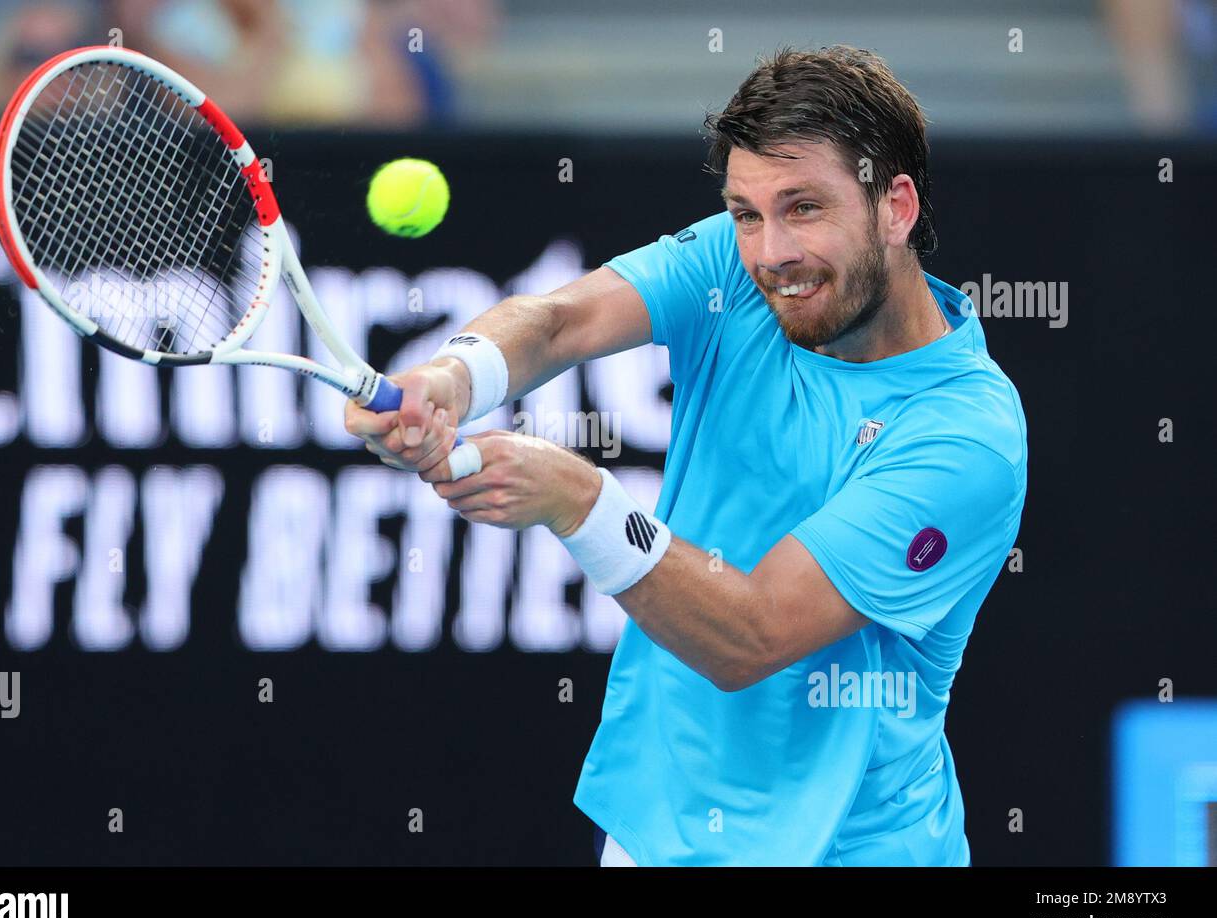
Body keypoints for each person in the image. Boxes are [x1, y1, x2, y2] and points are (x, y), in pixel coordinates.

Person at [344, 45, 1028, 866]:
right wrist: (452, 377)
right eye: (746, 212)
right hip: (655, 834)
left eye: (804, 207)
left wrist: (581, 501)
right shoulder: (737, 268)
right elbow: (560, 320)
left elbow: (753, 635)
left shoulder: (965, 434)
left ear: (896, 206)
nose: (771, 251)